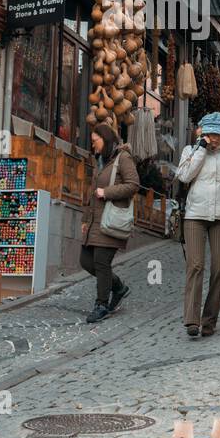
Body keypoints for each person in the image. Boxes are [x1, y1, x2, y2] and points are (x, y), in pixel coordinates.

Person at [176, 111, 220, 338]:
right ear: (202, 133)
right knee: (195, 265)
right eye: (210, 134)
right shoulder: (191, 151)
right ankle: (191, 320)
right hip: (195, 216)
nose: (214, 139)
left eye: (218, 135)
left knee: (219, 268)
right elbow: (184, 176)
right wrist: (200, 150)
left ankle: (209, 319)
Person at [81, 123, 138, 324]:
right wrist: (85, 219)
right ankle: (119, 287)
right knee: (85, 261)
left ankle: (101, 304)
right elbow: (92, 191)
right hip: (96, 220)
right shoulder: (100, 161)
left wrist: (107, 192)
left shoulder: (123, 158)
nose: (93, 145)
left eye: (95, 141)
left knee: (101, 262)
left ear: (104, 139)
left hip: (111, 220)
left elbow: (133, 184)